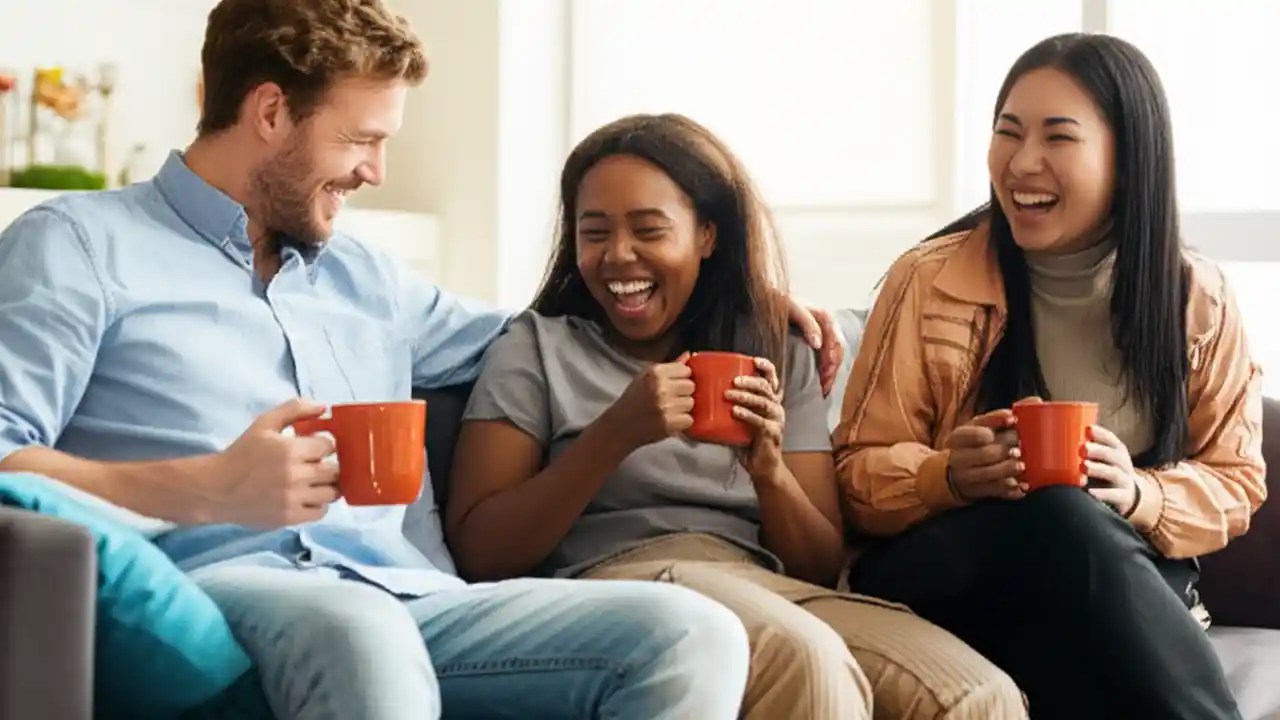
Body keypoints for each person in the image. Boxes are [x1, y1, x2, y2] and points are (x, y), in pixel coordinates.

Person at [0, 1, 841, 717]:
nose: (375, 170)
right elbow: (6, 456)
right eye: (361, 139)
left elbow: (554, 328)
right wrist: (210, 486)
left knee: (688, 632)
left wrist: (737, 301)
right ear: (268, 114)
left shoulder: (367, 278)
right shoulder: (76, 246)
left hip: (416, 597)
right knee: (357, 630)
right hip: (226, 586)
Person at [446, 113, 1027, 720]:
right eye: (595, 234)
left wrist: (769, 470)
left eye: (649, 230)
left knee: (975, 697)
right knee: (805, 660)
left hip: (766, 583)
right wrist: (615, 434)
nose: (618, 256)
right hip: (619, 585)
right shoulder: (535, 348)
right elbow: (483, 552)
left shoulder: (776, 348)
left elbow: (818, 565)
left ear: (707, 237)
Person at [835, 32, 1265, 720]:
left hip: (1090, 588)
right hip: (946, 571)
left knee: (1070, 657)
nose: (1021, 162)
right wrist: (945, 477)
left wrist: (1138, 493)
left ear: (1127, 161)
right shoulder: (930, 280)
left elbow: (1237, 481)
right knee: (1060, 508)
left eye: (1057, 138)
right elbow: (854, 475)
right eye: (1008, 132)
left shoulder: (1195, 296)